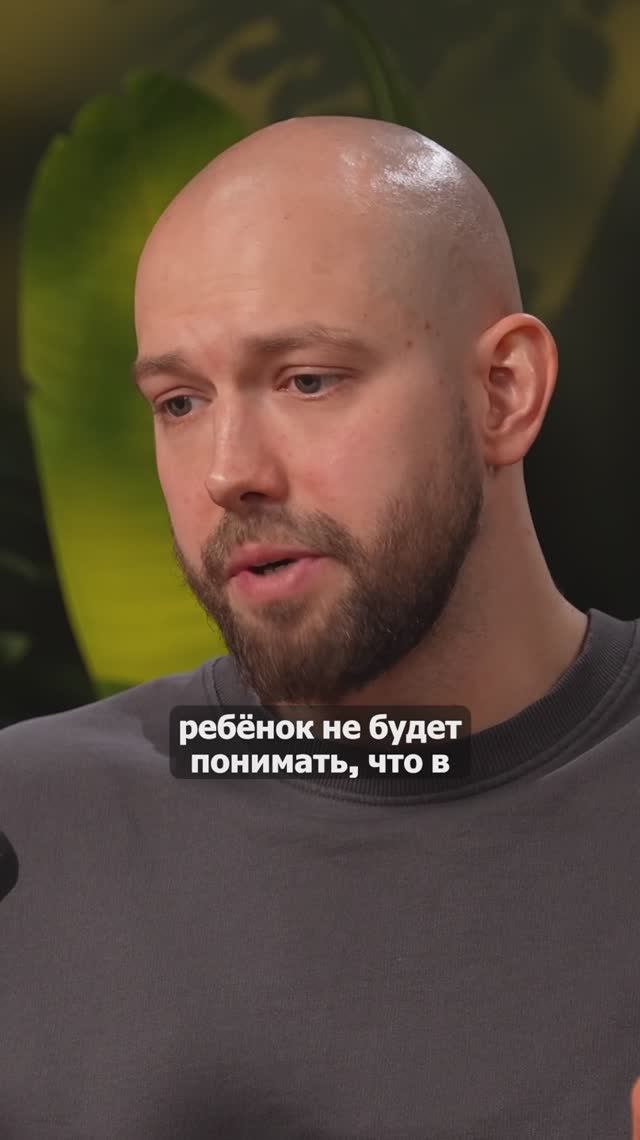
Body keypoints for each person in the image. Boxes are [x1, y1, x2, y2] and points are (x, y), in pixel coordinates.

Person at [1, 114, 639, 1139]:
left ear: (503, 392)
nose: (228, 472)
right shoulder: (28, 831)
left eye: (306, 379)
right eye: (179, 403)